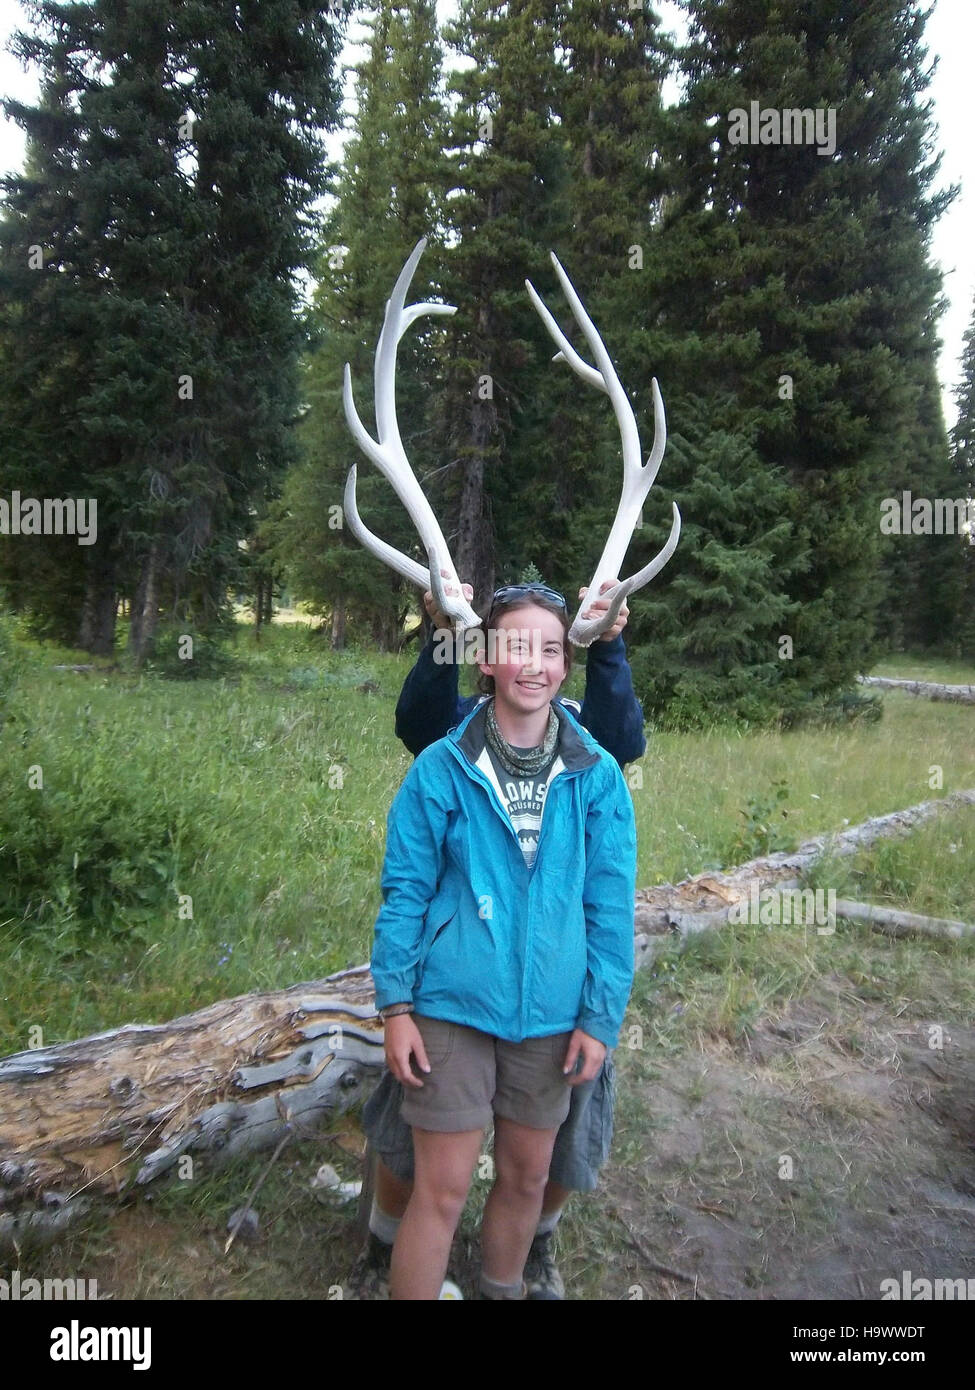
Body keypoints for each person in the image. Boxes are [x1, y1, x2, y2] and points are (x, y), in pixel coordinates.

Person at [354, 578, 644, 1299]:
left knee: (524, 1178)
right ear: (484, 657)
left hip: (551, 1013)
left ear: (565, 662)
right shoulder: (440, 767)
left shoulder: (597, 774)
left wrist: (599, 1017)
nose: (534, 664)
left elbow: (610, 907)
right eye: (516, 646)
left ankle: (502, 1285)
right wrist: (394, 1006)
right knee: (442, 1191)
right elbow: (405, 894)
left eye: (550, 649)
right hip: (451, 1003)